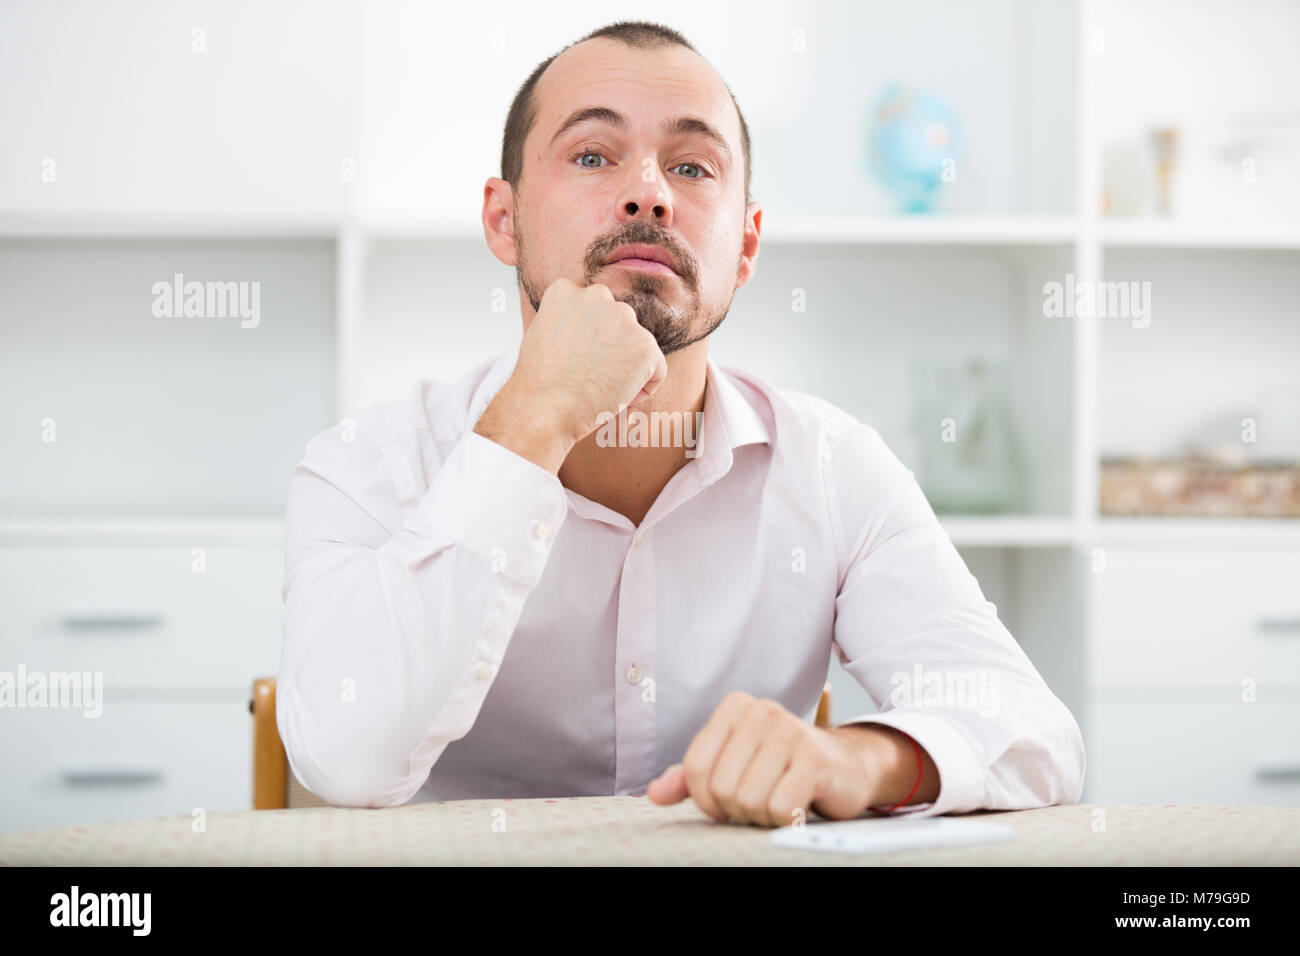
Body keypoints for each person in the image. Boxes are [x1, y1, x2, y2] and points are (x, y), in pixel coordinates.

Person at [277, 20, 1085, 827]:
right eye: (592, 156)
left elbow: (1033, 732)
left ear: (745, 246)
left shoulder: (835, 470)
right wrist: (535, 419)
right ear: (503, 219)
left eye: (693, 167)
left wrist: (857, 757)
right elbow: (347, 759)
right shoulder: (365, 469)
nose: (650, 193)